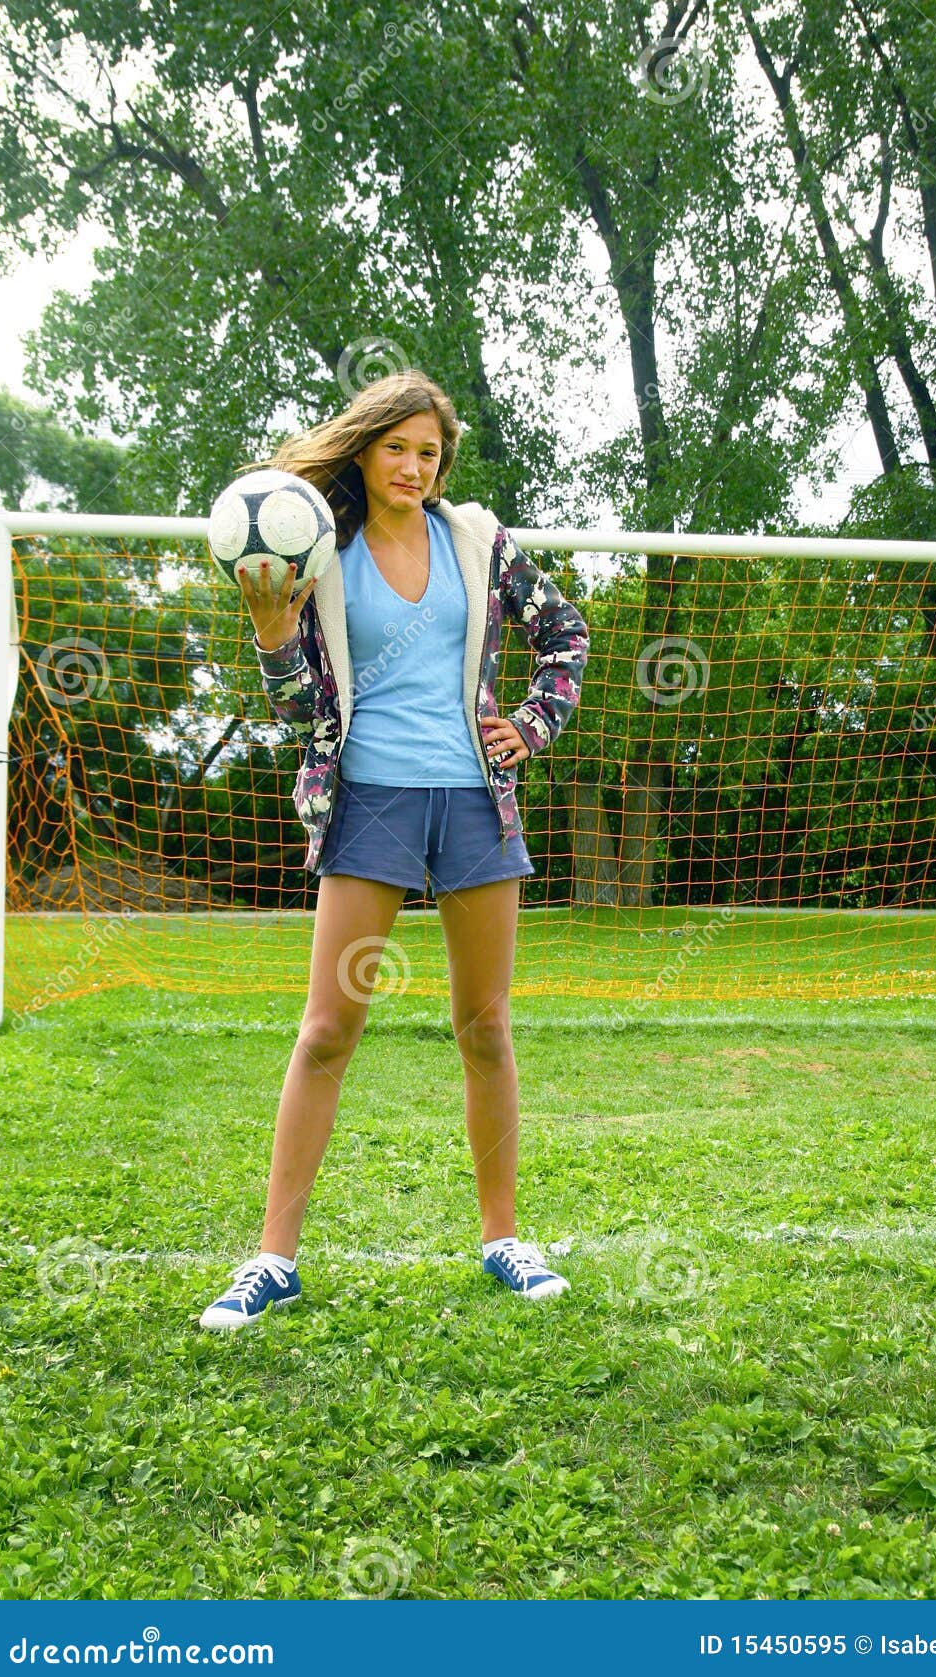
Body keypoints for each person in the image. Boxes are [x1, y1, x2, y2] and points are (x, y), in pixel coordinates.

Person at [198, 369, 590, 1329]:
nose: (413, 467)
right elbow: (300, 711)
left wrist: (531, 725)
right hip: (366, 800)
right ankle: (272, 1260)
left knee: (484, 1027)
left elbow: (565, 633)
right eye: (396, 448)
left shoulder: (479, 542)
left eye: (429, 452)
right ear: (365, 453)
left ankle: (502, 1238)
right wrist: (269, 631)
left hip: (471, 801)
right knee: (328, 1030)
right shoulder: (317, 547)